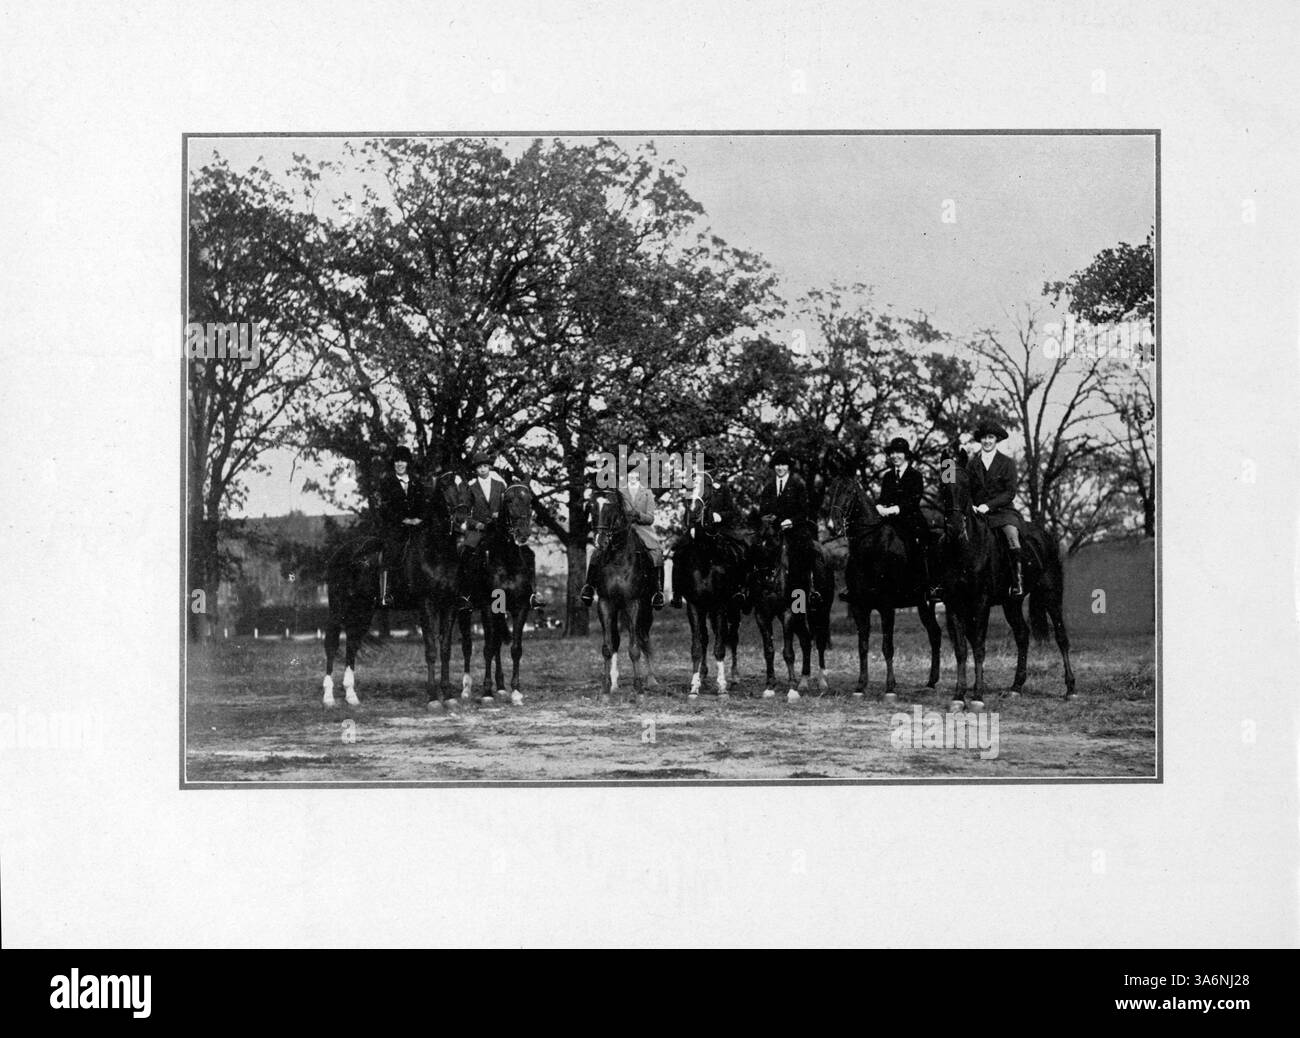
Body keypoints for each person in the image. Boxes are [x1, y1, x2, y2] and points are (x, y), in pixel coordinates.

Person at [580, 459, 666, 609]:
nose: (632, 477)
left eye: (635, 475)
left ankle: (657, 592)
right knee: (597, 551)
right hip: (620, 530)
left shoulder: (647, 494)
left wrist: (638, 515)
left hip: (641, 529)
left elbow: (651, 518)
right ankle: (589, 586)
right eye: (630, 475)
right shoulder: (618, 493)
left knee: (656, 553)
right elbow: (611, 511)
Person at [668, 469, 751, 609]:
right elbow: (688, 513)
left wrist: (720, 516)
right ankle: (677, 593)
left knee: (739, 551)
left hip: (719, 530)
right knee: (678, 553)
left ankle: (739, 590)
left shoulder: (722, 488)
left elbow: (732, 511)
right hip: (696, 532)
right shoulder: (692, 487)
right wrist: (690, 527)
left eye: (708, 468)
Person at [875, 436, 942, 603]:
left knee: (921, 546)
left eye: (899, 453)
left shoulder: (915, 475)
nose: (895, 456)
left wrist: (895, 509)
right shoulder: (888, 476)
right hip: (889, 521)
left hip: (910, 520)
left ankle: (932, 586)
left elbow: (913, 500)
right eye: (892, 453)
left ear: (906, 455)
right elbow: (883, 498)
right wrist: (879, 507)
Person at [963, 421, 1025, 597]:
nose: (987, 441)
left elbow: (1010, 492)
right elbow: (965, 488)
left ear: (996, 439)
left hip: (1002, 513)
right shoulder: (971, 464)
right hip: (977, 514)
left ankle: (1017, 582)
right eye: (984, 437)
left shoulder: (1007, 463)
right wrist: (972, 505)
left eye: (990, 437)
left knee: (1012, 537)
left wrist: (988, 506)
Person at [757, 449, 826, 606]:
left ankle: (809, 594)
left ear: (788, 466)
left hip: (795, 531)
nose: (780, 468)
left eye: (783, 465)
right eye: (777, 465)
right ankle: (751, 593)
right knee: (757, 552)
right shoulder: (768, 488)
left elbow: (804, 511)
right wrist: (770, 519)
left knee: (805, 555)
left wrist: (790, 521)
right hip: (774, 532)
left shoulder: (797, 485)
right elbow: (763, 511)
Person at [456, 451, 507, 612]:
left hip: (497, 531)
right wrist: (476, 524)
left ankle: (520, 595)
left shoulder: (500, 486)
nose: (483, 469)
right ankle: (466, 598)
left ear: (489, 467)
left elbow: (508, 508)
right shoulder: (470, 488)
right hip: (478, 533)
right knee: (465, 557)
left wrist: (500, 514)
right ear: (476, 470)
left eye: (485, 466)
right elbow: (464, 514)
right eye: (479, 467)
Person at [377, 445, 426, 607]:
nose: (400, 464)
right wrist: (403, 520)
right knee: (390, 553)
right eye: (397, 461)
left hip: (416, 528)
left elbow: (422, 504)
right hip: (395, 528)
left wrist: (420, 519)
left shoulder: (416, 483)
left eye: (403, 461)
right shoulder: (387, 483)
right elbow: (385, 508)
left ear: (407, 463)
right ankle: (385, 593)